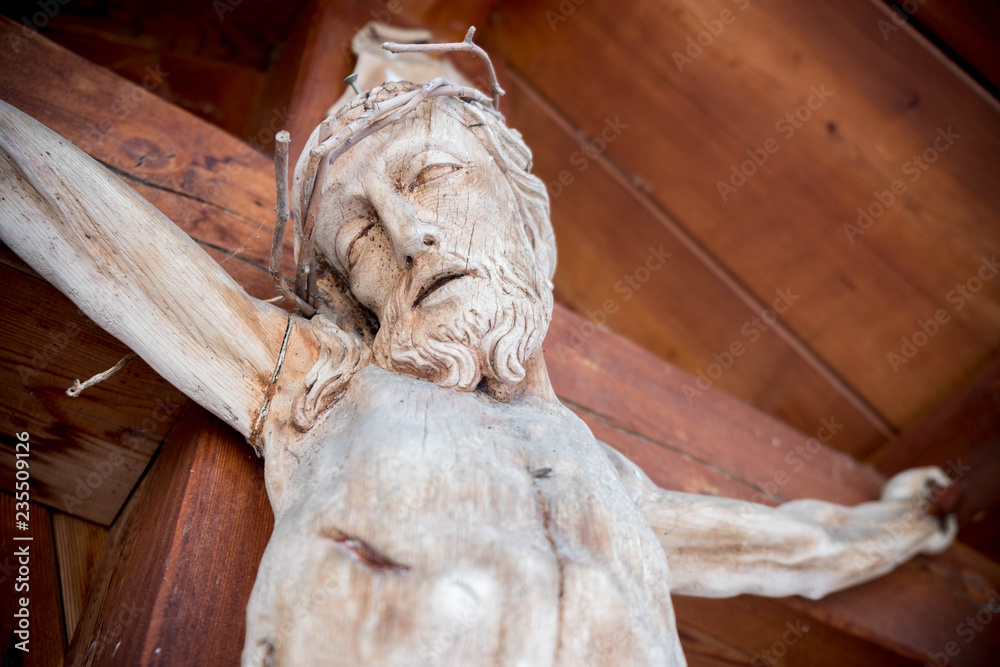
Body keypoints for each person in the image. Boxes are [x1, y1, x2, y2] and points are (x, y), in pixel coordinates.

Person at [0, 47, 956, 666]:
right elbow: (97, 236)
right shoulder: (319, 387)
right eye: (361, 237)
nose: (410, 235)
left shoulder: (605, 471)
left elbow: (776, 546)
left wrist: (894, 530)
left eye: (434, 175)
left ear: (528, 219)